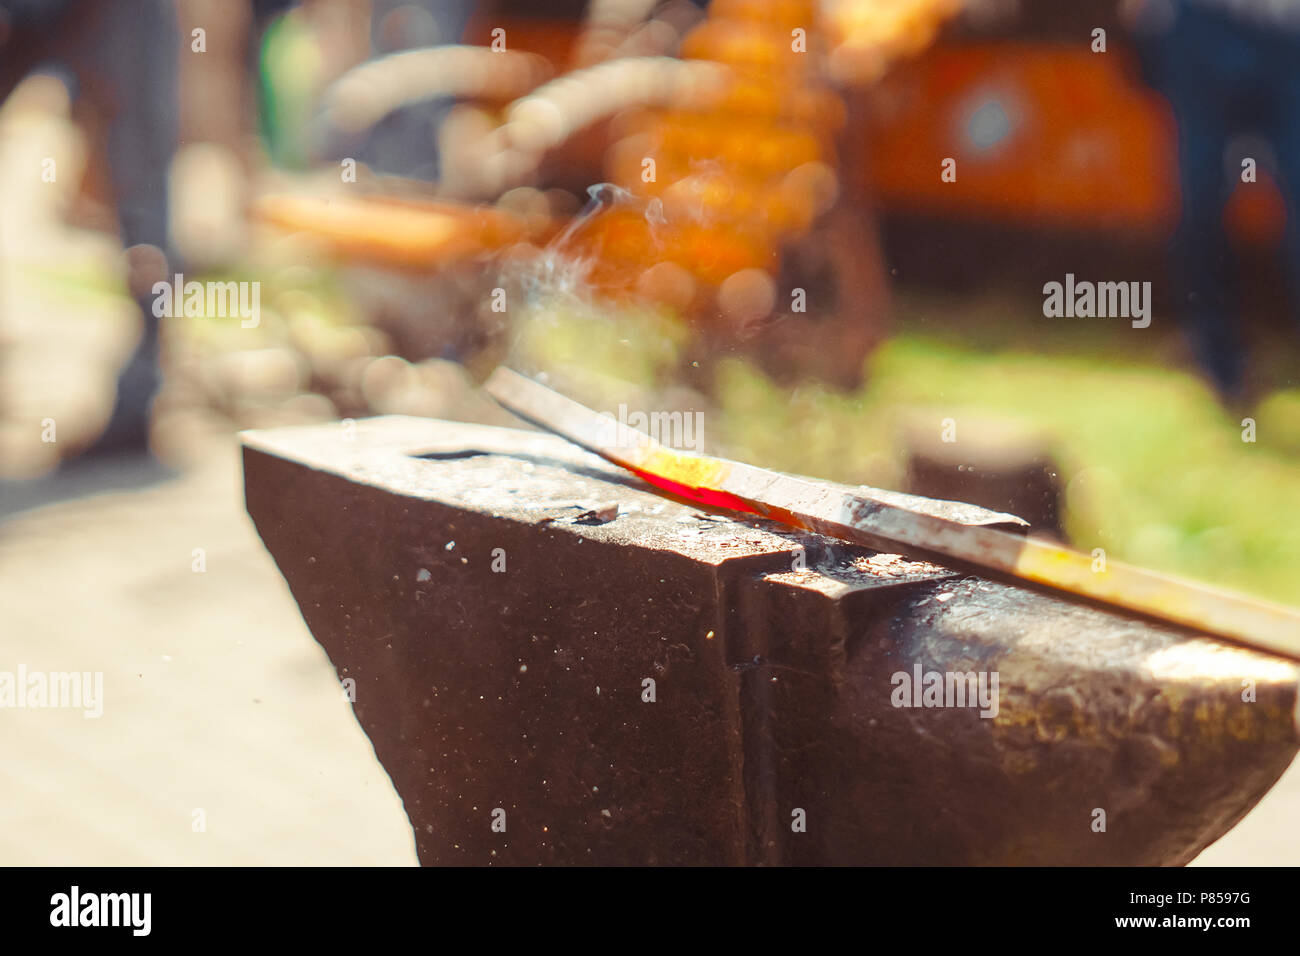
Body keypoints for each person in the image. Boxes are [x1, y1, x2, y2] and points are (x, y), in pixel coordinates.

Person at [1127, 0, 1300, 403]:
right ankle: (1218, 360)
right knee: (1200, 196)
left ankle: (1221, 358)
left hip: (1285, 28)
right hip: (1199, 26)